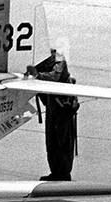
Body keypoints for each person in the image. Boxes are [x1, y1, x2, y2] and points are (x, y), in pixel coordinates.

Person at [28, 50, 79, 181]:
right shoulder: (39, 59)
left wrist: (37, 75)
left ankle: (64, 174)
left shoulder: (59, 59)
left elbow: (55, 76)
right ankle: (55, 172)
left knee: (64, 141)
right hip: (53, 103)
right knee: (51, 141)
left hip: (63, 105)